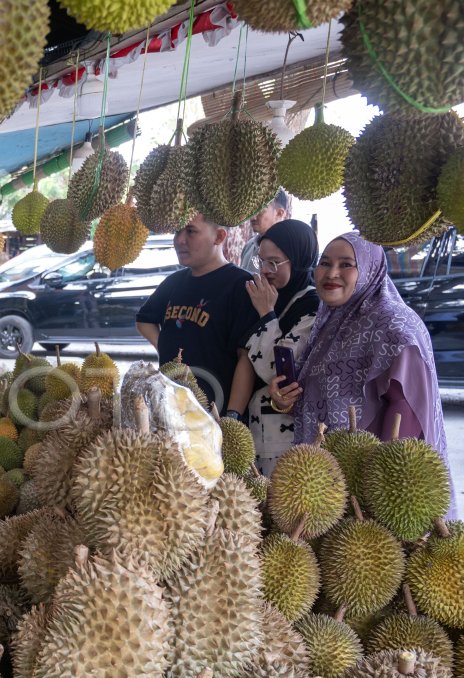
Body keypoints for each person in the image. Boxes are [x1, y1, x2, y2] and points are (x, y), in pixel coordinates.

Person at [269, 234, 453, 513]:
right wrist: (283, 401)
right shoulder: (331, 320)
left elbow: (407, 411)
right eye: (325, 263)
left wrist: (382, 489)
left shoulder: (394, 326)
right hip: (323, 483)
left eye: (346, 264)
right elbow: (325, 399)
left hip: (371, 489)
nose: (331, 273)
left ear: (369, 269)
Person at [136, 213, 259, 416]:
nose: (179, 240)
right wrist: (166, 350)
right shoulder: (174, 282)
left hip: (216, 409)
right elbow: (144, 320)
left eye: (191, 231)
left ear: (219, 237)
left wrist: (233, 414)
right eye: (177, 231)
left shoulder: (240, 285)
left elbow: (247, 358)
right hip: (171, 407)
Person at [242, 219, 321, 474]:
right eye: (262, 261)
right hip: (255, 432)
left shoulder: (312, 307)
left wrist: (266, 314)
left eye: (274, 262)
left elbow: (276, 371)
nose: (265, 270)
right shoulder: (269, 298)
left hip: (285, 441)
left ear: (298, 260)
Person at [239, 190, 290, 271]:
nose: (253, 218)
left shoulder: (288, 250)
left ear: (279, 213)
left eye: (259, 211)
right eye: (251, 211)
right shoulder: (249, 245)